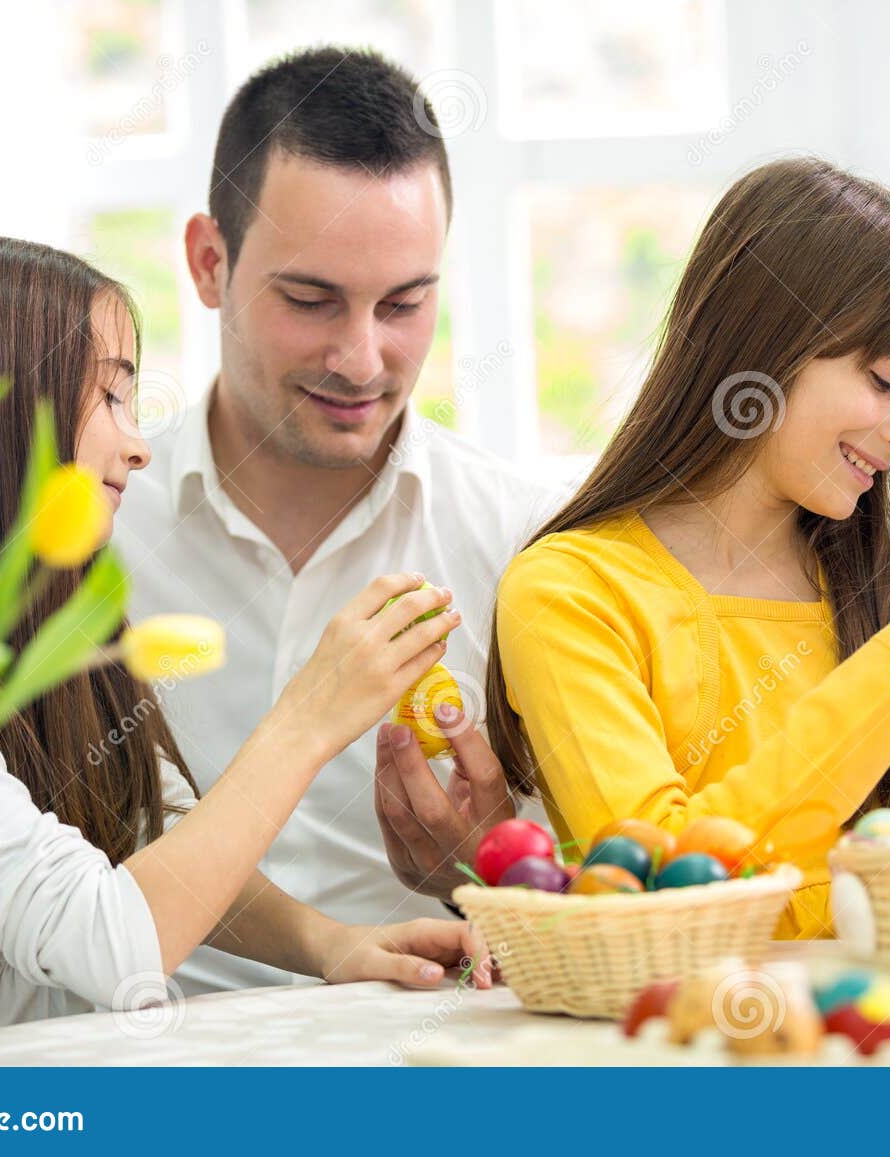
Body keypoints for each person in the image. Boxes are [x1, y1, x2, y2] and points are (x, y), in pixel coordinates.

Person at [0, 227, 490, 1039]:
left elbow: (156, 842)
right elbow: (112, 944)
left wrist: (334, 943)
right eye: (111, 396)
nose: (137, 446)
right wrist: (310, 717)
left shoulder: (52, 624)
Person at [483, 158, 890, 938]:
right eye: (889, 380)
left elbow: (878, 879)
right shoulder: (570, 593)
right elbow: (669, 877)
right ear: (765, 341)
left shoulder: (866, 582)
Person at [115, 47, 558, 991]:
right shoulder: (97, 528)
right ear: (209, 262)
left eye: (404, 303)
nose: (363, 361)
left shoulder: (524, 541)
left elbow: (609, 899)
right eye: (311, 300)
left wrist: (485, 865)